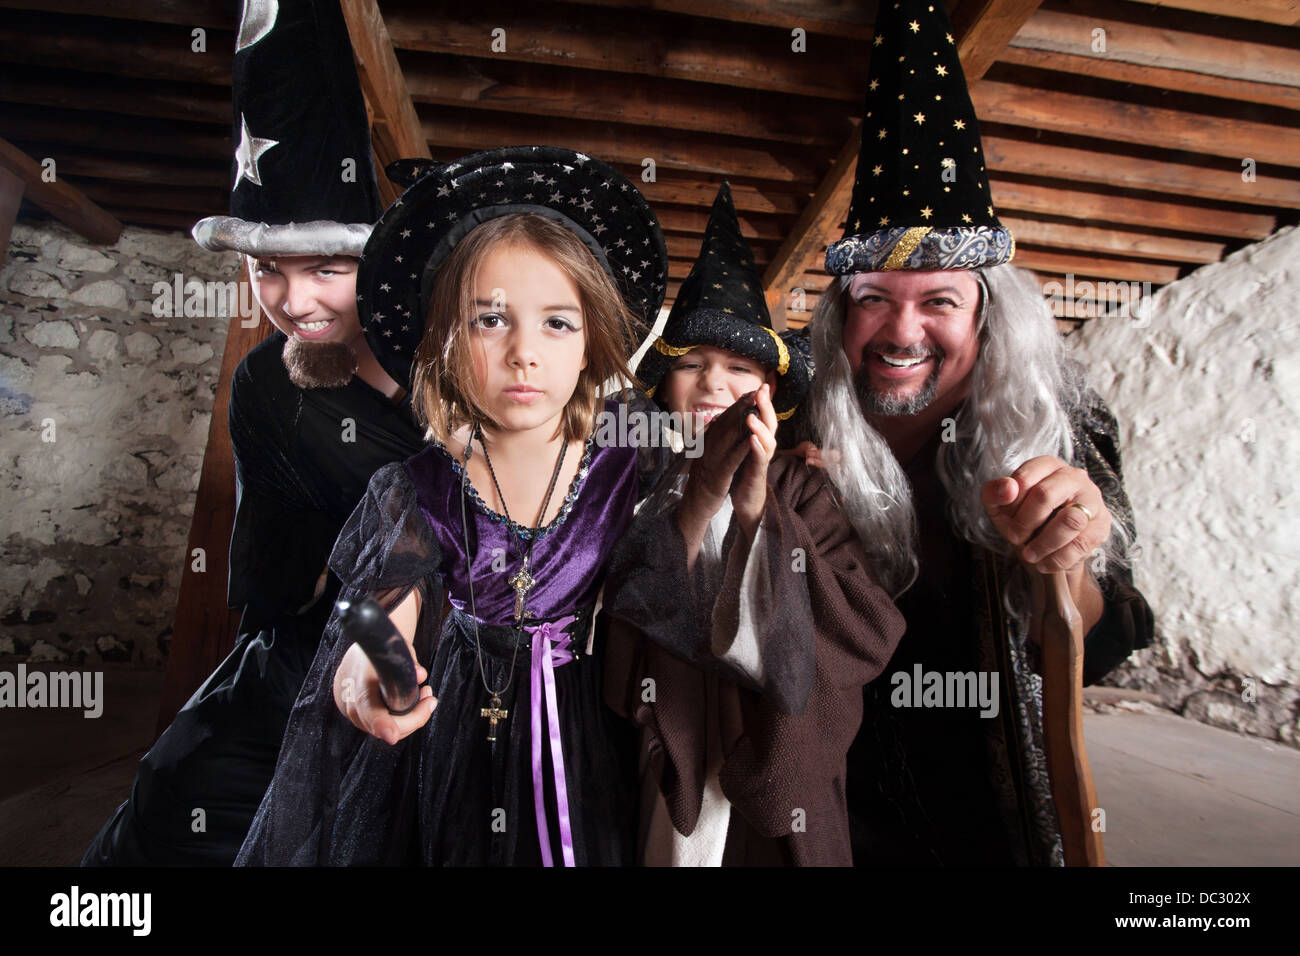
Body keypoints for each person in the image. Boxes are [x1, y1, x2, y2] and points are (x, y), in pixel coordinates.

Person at [787, 0, 1154, 866]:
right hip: (824, 795)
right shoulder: (792, 417)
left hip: (990, 807)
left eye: (939, 301)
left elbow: (1106, 635)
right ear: (842, 315)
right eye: (873, 297)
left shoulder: (1063, 422)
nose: (901, 331)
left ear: (989, 318)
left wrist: (1074, 554)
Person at [236, 145, 672, 866]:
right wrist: (369, 668)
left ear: (591, 338)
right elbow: (384, 605)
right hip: (452, 729)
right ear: (444, 338)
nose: (524, 352)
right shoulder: (419, 486)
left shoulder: (633, 467)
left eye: (557, 323)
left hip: (581, 728)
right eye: (489, 321)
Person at [80, 0, 426, 866]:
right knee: (173, 810)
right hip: (297, 649)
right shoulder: (266, 385)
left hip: (443, 667)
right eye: (267, 268)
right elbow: (288, 575)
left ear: (378, 262)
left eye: (327, 269)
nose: (294, 301)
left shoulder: (459, 371)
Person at [601, 182, 905, 866]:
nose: (713, 385)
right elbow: (618, 613)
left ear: (770, 394)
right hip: (670, 745)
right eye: (692, 367)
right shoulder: (637, 482)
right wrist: (700, 497)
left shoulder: (805, 483)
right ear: (663, 389)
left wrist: (755, 506)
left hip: (766, 744)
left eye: (739, 368)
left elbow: (866, 625)